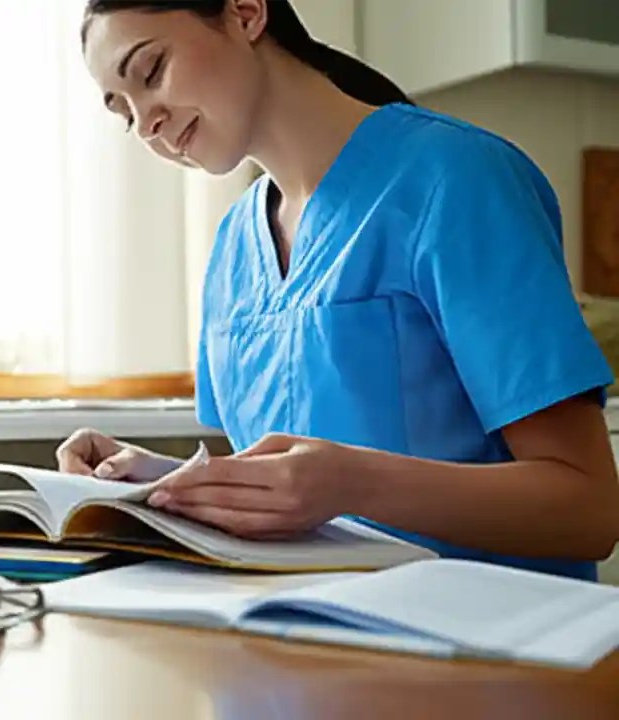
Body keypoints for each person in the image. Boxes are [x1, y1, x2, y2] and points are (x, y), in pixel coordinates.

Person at [59, 0, 619, 580]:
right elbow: (296, 480)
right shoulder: (233, 246)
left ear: (247, 13)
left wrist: (351, 484)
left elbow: (589, 509)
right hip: (298, 638)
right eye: (123, 112)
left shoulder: (457, 181)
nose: (146, 122)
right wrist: (155, 480)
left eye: (150, 73)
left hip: (486, 647)